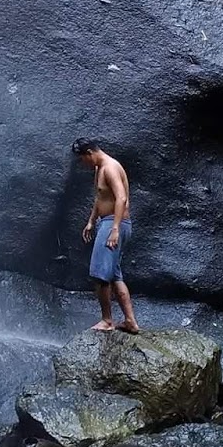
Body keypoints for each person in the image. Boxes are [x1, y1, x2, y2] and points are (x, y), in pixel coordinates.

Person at [72, 138, 139, 333]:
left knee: (99, 274)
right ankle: (130, 321)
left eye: (82, 159)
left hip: (113, 223)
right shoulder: (98, 169)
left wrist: (115, 228)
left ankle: (107, 320)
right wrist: (92, 221)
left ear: (90, 153)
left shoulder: (110, 168)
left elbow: (121, 198)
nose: (83, 164)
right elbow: (100, 197)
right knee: (115, 275)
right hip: (106, 222)